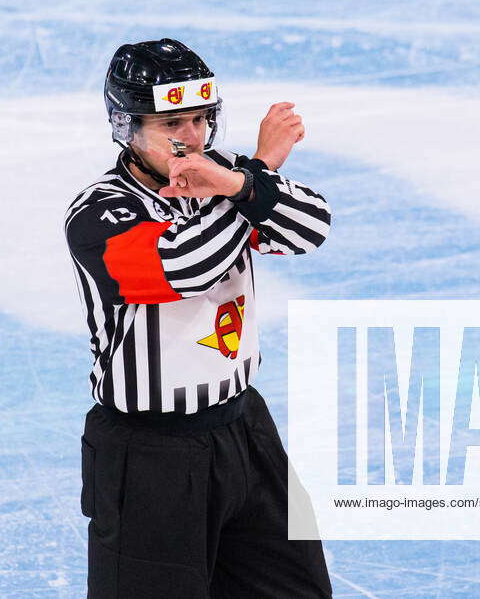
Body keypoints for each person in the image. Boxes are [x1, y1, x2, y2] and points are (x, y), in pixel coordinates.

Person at [64, 38, 333, 598]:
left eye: (201, 119)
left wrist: (239, 182)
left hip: (245, 432)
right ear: (127, 127)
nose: (193, 139)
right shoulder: (99, 212)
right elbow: (187, 266)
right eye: (172, 124)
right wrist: (251, 178)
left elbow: (311, 227)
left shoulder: (228, 178)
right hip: (150, 457)